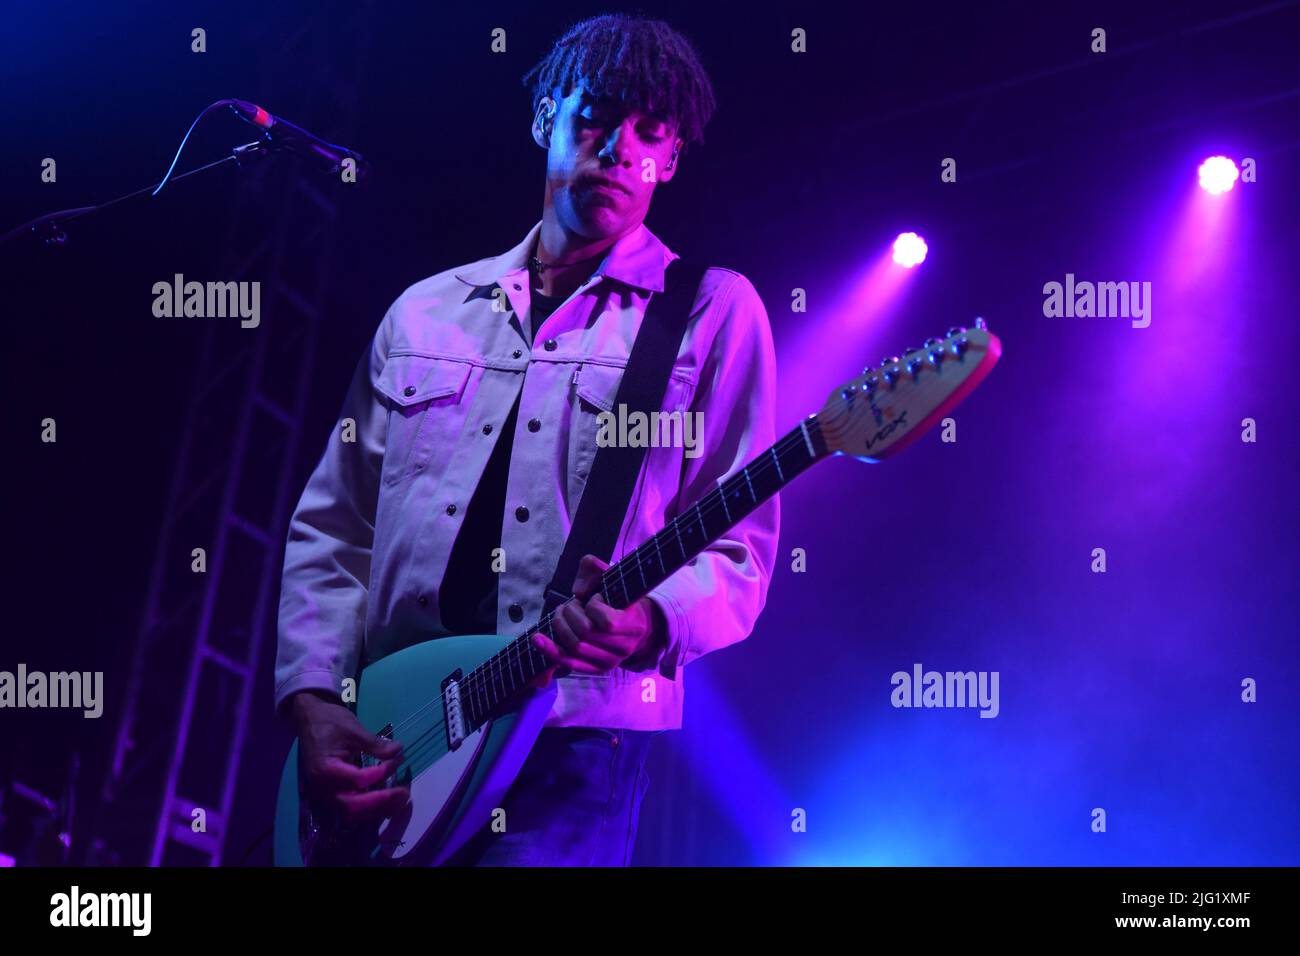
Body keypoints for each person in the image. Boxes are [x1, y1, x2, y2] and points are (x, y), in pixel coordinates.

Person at [274, 13, 779, 865]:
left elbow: (742, 555)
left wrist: (652, 621)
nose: (620, 148)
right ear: (546, 115)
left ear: (672, 158)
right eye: (596, 116)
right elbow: (335, 528)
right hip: (391, 733)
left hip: (575, 747)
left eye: (650, 132)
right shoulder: (426, 311)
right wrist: (314, 699)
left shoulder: (712, 315)